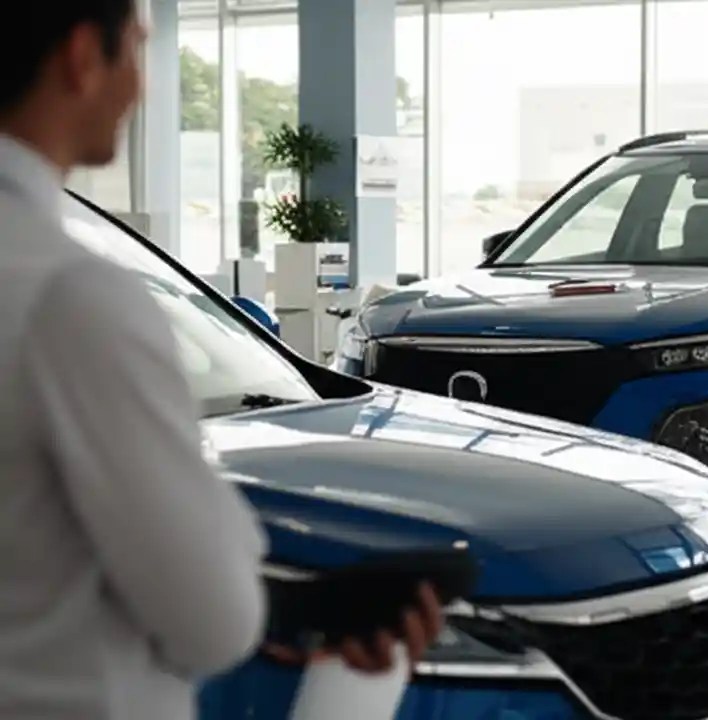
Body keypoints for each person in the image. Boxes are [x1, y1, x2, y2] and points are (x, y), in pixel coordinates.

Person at [0, 4, 440, 719]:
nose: (142, 86)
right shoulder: (71, 296)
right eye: (139, 49)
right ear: (82, 56)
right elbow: (214, 624)